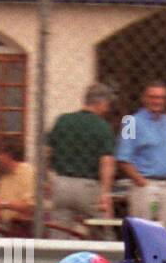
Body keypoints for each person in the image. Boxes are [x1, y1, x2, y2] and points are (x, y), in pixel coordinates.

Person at [48, 83, 118, 229]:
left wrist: (50, 178)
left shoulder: (63, 120)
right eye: (107, 103)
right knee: (102, 229)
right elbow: (106, 163)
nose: (108, 107)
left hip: (62, 183)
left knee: (61, 232)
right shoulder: (102, 127)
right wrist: (105, 194)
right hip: (88, 186)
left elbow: (47, 151)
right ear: (100, 102)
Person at [116, 80, 166, 225]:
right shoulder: (129, 122)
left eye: (161, 98)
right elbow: (123, 159)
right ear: (144, 98)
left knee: (164, 232)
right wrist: (141, 182)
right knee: (144, 232)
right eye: (153, 97)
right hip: (145, 186)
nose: (157, 101)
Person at [0, 141, 35, 227]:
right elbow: (0, 213)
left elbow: (30, 207)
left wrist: (3, 204)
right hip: (3, 227)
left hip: (22, 229)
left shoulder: (28, 172)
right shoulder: (4, 177)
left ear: (8, 155)